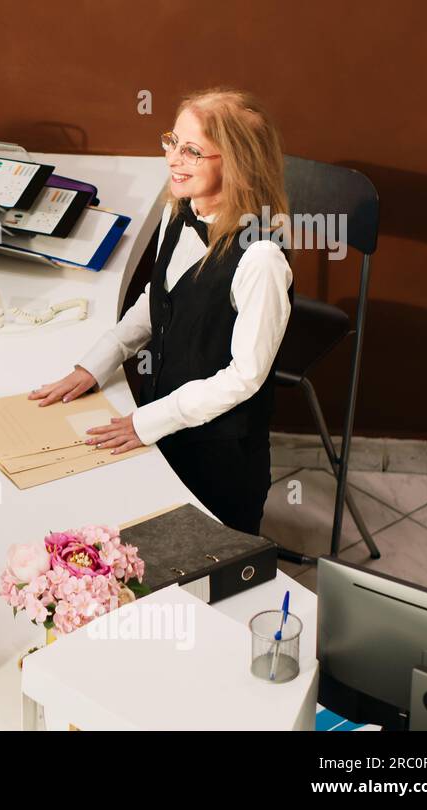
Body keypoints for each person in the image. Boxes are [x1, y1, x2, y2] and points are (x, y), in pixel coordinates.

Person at [31, 88, 293, 535]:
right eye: (172, 141)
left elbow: (244, 377)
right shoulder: (179, 208)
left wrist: (149, 421)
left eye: (192, 151)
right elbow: (160, 294)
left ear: (238, 163)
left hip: (220, 455)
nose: (173, 159)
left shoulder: (261, 258)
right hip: (165, 421)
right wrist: (99, 360)